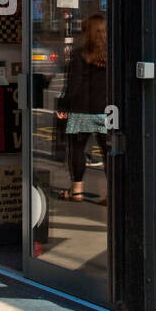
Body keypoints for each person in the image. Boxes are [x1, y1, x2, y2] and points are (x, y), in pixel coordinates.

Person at [55, 13, 109, 202]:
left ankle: (76, 190)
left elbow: (73, 85)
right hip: (105, 110)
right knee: (107, 150)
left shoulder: (80, 54)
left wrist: (63, 106)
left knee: (77, 148)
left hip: (81, 110)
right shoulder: (112, 56)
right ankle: (110, 194)